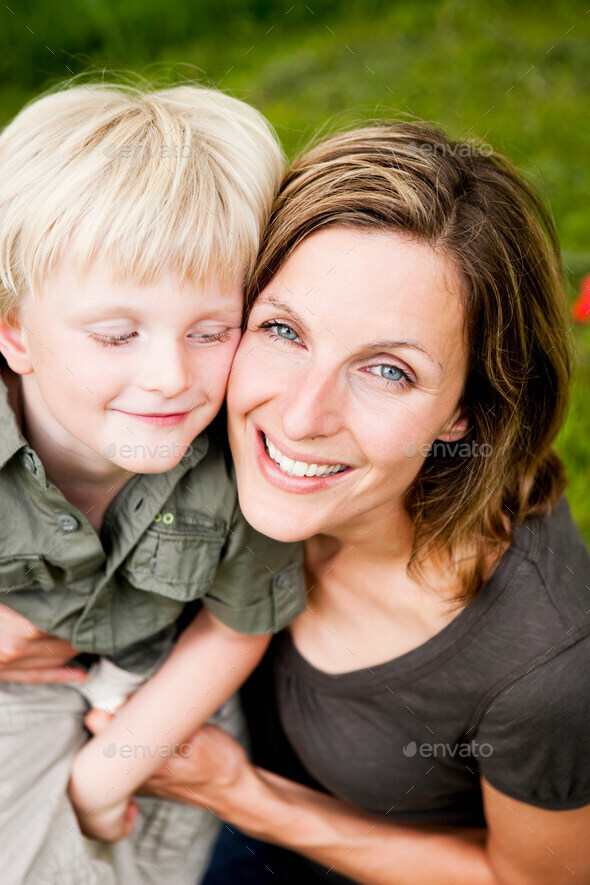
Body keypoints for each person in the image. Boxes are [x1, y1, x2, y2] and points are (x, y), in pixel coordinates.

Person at [133, 122, 589, 885]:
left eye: (387, 370)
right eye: (284, 329)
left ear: (464, 413)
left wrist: (248, 798)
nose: (302, 415)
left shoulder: (546, 667)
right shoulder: (191, 414)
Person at [0, 81, 304, 885]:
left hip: (159, 689)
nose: (170, 377)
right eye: (115, 334)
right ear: (15, 331)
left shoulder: (248, 459)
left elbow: (239, 625)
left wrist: (113, 768)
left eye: (212, 331)